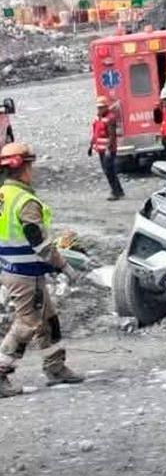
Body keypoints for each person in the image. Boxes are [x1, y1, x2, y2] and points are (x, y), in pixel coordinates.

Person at [0, 143, 85, 397]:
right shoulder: (25, 201)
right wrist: (64, 266)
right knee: (27, 322)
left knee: (48, 318)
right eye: (30, 165)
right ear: (24, 167)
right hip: (25, 272)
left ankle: (55, 367)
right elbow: (40, 244)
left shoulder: (3, 194)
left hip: (14, 268)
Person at [89, 95, 124, 201]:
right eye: (98, 107)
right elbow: (95, 133)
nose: (99, 109)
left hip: (108, 150)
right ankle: (118, 190)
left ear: (106, 107)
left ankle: (115, 192)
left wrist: (109, 149)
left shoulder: (110, 118)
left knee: (109, 171)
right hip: (101, 150)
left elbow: (112, 136)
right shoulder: (97, 118)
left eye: (101, 107)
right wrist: (91, 146)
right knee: (107, 170)